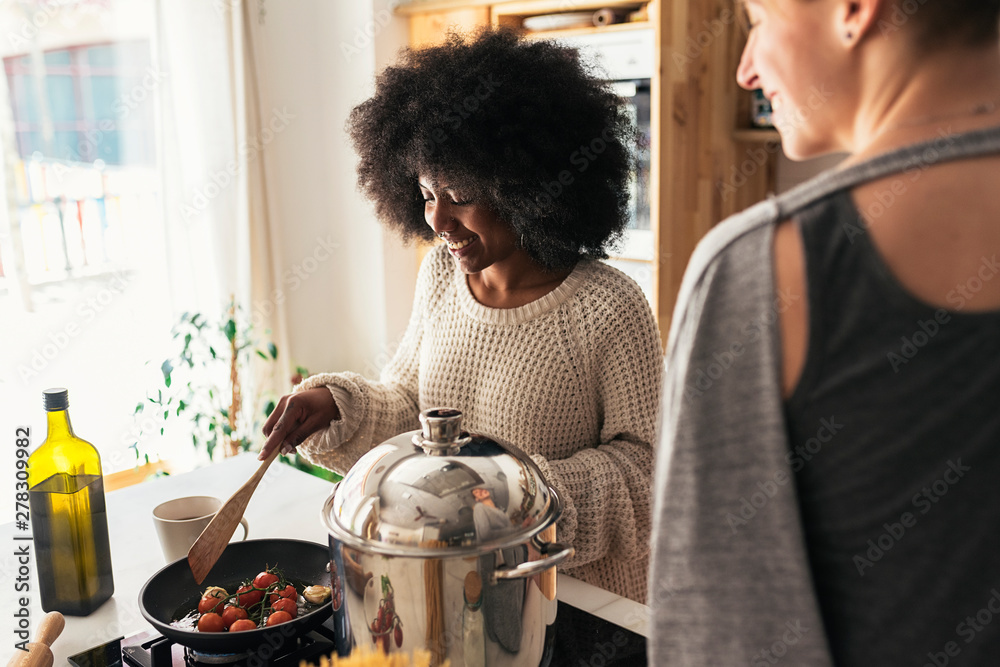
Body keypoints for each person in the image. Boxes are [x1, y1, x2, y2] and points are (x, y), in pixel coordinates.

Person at [649, 0, 1000, 664]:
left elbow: (719, 640)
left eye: (757, 19)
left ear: (854, 9)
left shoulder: (761, 271)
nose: (747, 70)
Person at [259, 27, 663, 603]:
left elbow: (645, 474)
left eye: (460, 194)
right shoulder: (442, 276)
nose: (438, 222)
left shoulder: (609, 308)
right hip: (455, 590)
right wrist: (337, 407)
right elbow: (408, 406)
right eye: (426, 194)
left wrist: (512, 491)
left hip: (569, 600)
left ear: (526, 185)